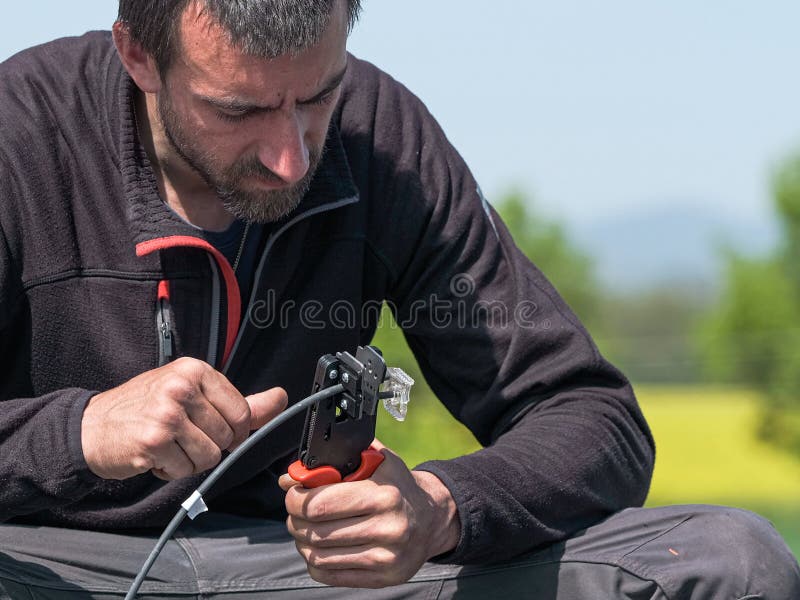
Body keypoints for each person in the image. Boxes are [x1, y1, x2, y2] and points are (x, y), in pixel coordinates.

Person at [0, 1, 797, 598]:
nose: (289, 158)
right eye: (237, 110)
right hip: (45, 563)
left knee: (730, 561)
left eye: (317, 97)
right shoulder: (18, 131)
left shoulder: (382, 138)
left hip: (304, 573)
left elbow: (595, 420)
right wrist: (78, 432)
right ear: (138, 54)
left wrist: (442, 508)